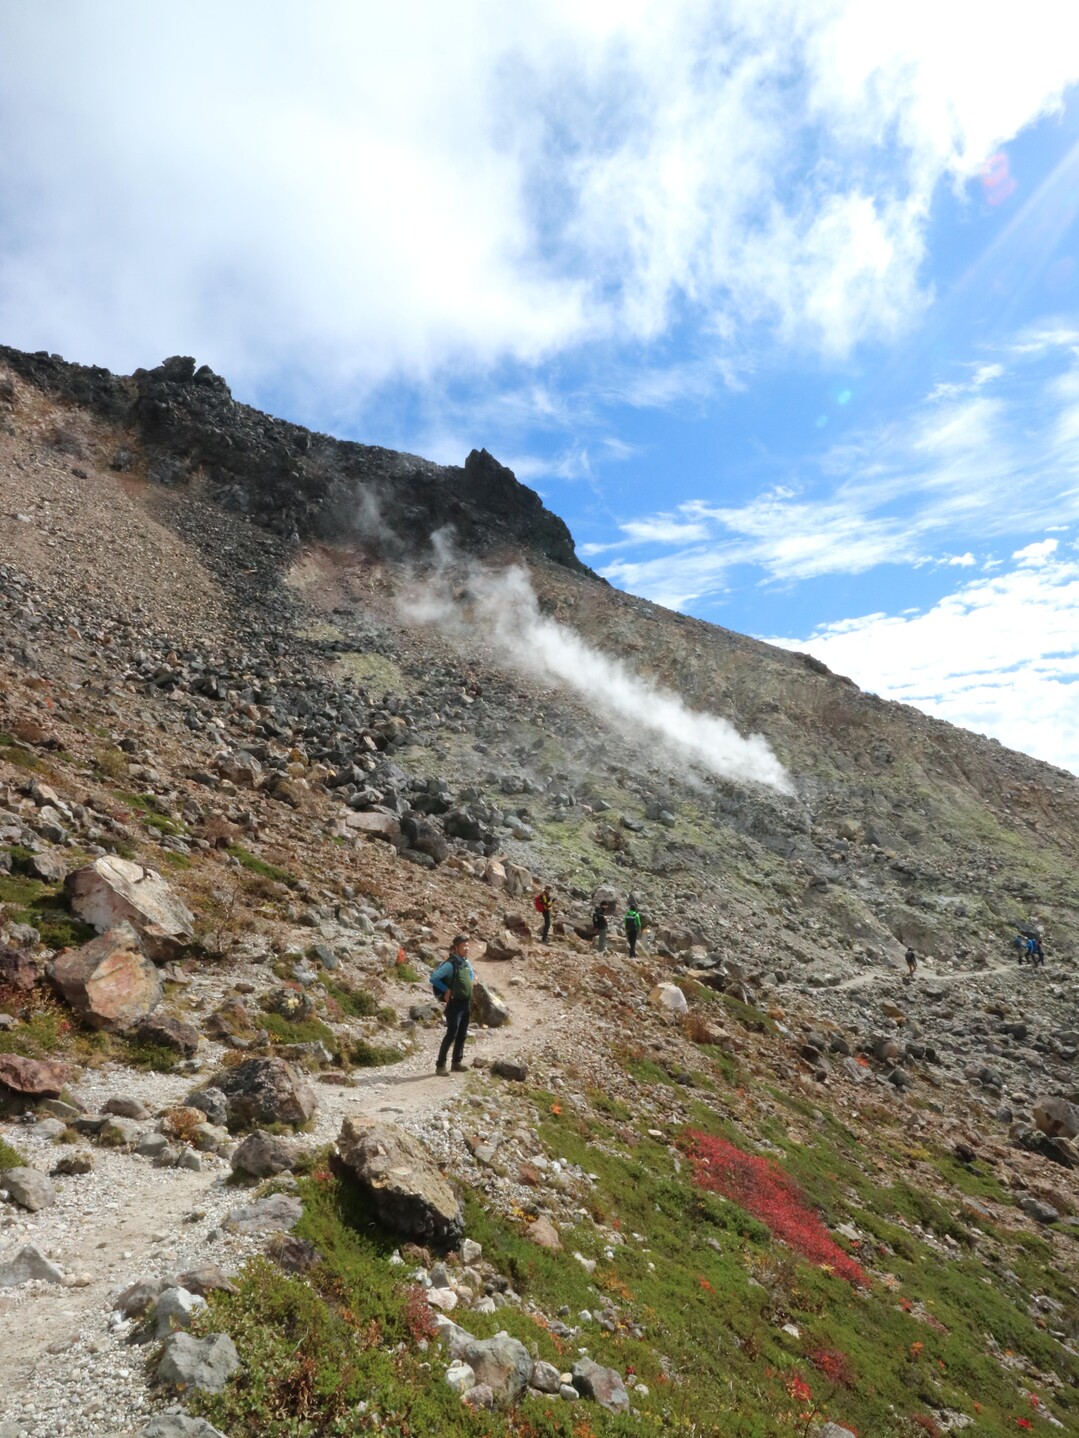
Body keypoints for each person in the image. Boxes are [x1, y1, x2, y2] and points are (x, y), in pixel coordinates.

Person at [430, 935, 474, 1075]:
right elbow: (434, 978)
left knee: (462, 1034)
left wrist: (471, 982)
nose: (466, 948)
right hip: (454, 1004)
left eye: (467, 945)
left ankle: (456, 1062)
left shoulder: (466, 963)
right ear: (456, 948)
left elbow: (471, 976)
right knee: (451, 1034)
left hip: (466, 1003)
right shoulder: (450, 964)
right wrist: (446, 989)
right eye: (463, 946)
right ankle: (440, 1065)